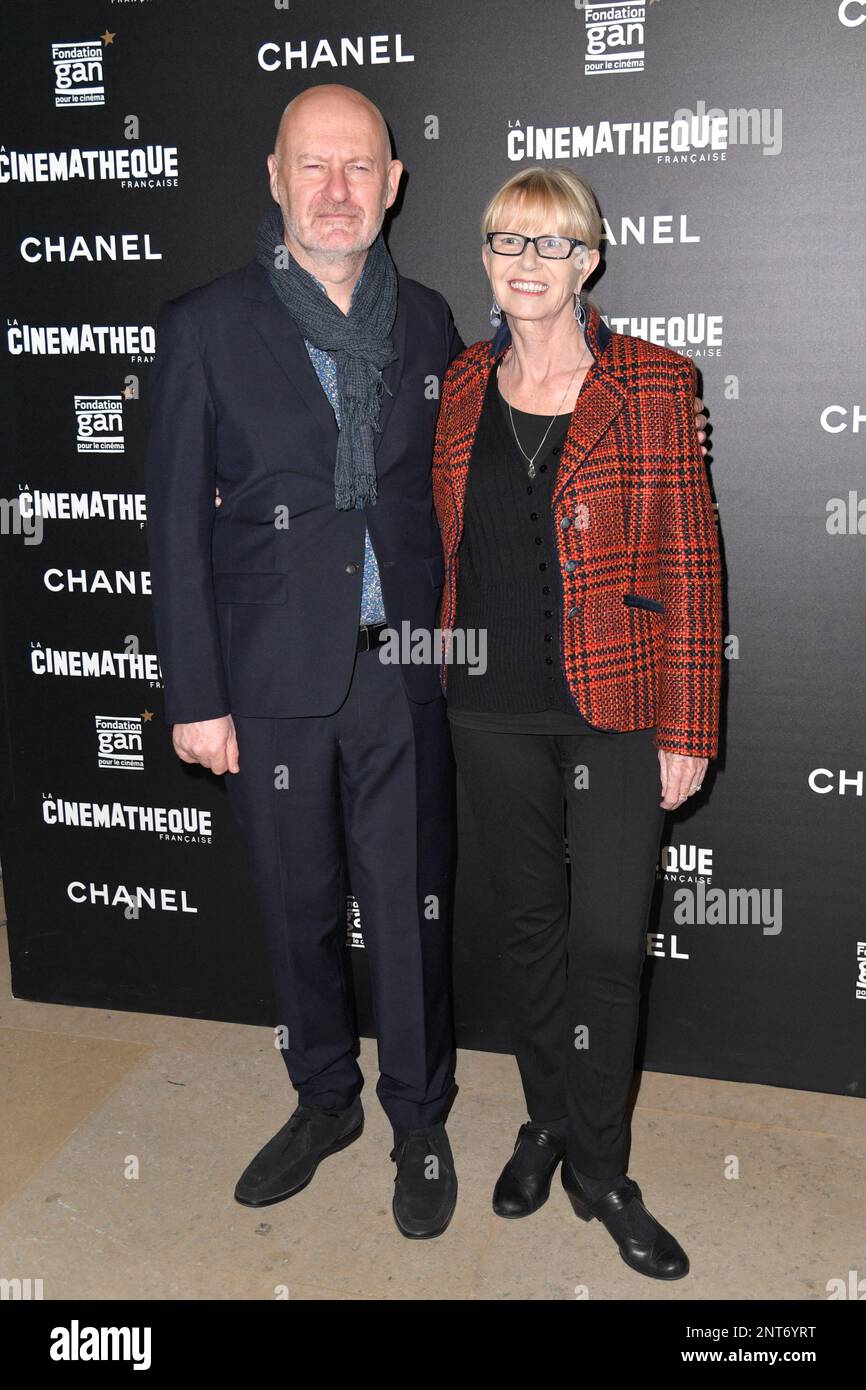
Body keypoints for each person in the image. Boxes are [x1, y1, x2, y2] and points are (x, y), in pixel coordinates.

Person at [144, 84, 465, 1239]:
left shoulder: (429, 322)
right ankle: (323, 1099)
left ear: (393, 183)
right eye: (312, 167)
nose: (336, 190)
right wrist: (197, 695)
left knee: (410, 909)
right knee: (298, 911)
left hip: (404, 670)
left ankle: (418, 1117)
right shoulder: (206, 325)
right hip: (270, 678)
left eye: (359, 167)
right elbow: (175, 524)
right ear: (274, 178)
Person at [431, 166, 722, 1279]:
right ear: (487, 256)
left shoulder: (654, 383)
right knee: (528, 935)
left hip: (616, 707)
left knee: (605, 942)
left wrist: (686, 722)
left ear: (588, 259)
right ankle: (543, 1121)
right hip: (488, 708)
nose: (526, 263)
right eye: (507, 240)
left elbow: (693, 566)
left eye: (550, 245)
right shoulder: (458, 382)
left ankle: (602, 1165)